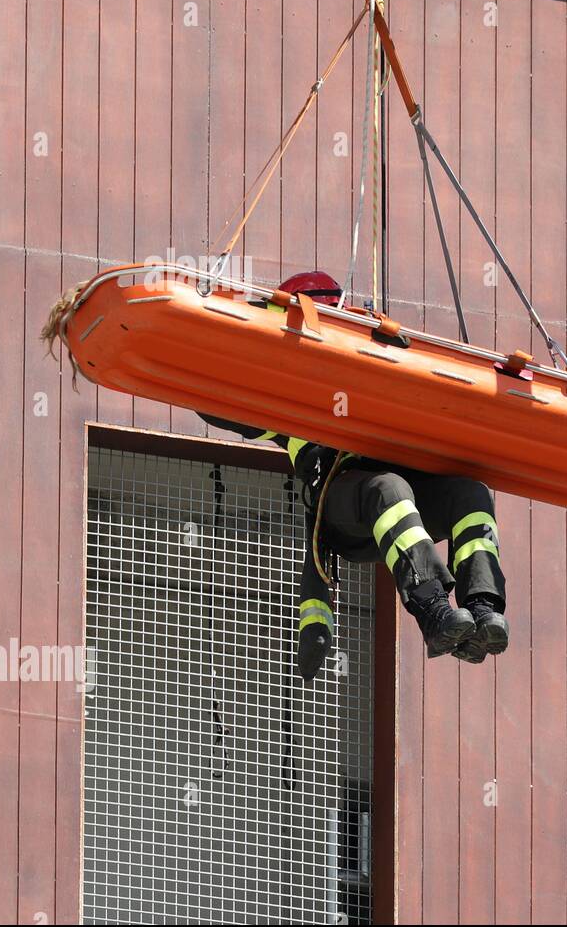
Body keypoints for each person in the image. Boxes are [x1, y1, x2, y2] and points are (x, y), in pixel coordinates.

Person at [200, 270, 507, 682]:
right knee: (388, 488)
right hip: (343, 507)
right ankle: (433, 609)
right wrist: (251, 315)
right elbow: (211, 402)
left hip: (398, 504)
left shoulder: (373, 365)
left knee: (470, 495)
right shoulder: (282, 394)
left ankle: (482, 608)